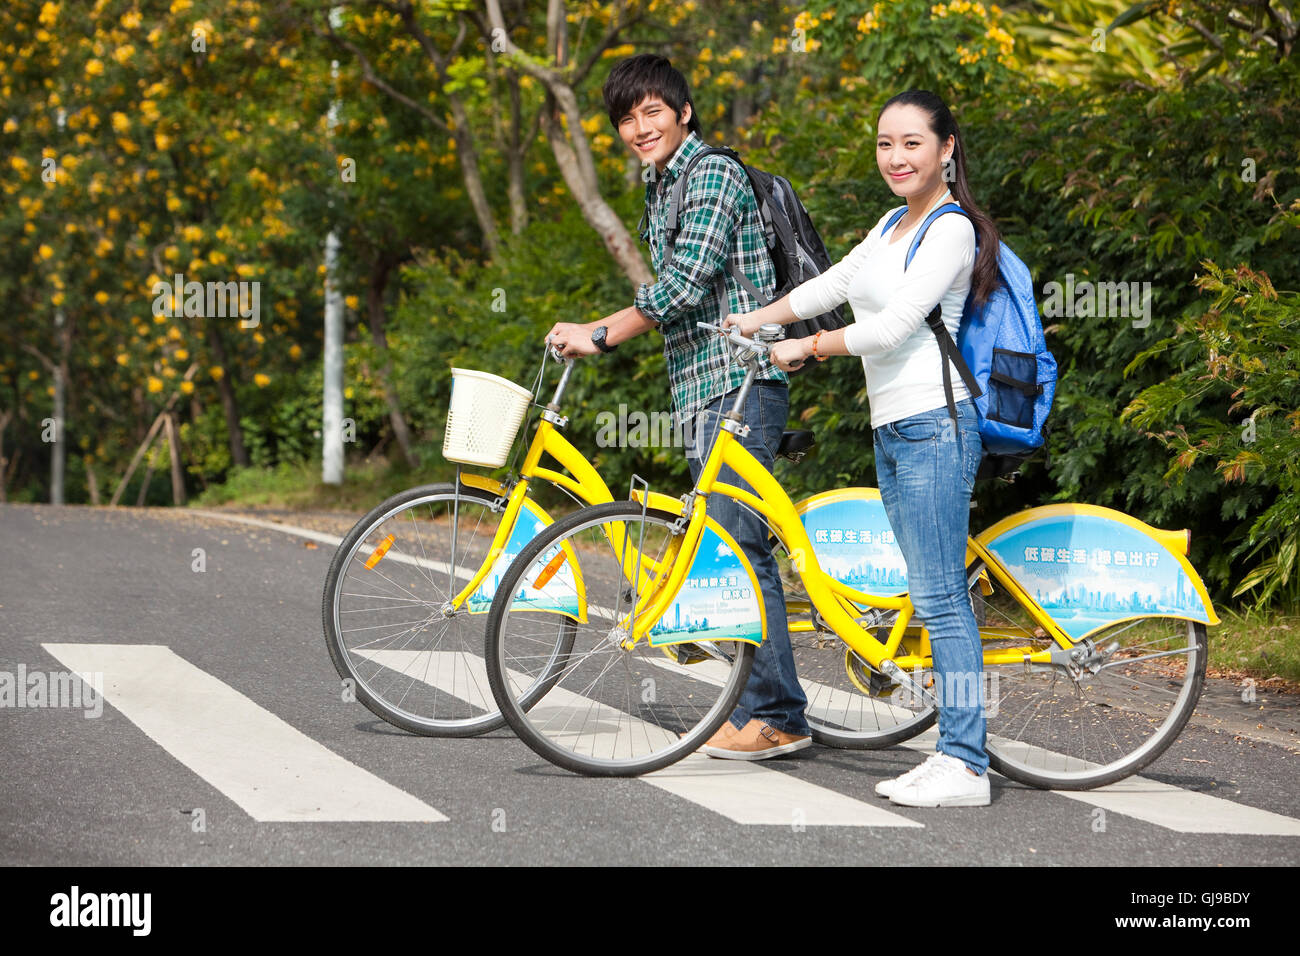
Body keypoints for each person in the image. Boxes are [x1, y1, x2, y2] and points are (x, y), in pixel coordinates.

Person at [723, 89, 997, 807]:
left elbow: (895, 326)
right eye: (884, 143)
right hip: (895, 428)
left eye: (912, 143)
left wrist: (804, 348)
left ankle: (966, 761)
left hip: (938, 423)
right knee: (932, 589)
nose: (896, 157)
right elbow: (835, 283)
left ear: (946, 150)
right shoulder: (890, 223)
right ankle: (952, 751)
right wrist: (756, 318)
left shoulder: (951, 229)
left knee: (941, 599)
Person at [545, 53, 812, 759]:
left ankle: (779, 714)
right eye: (628, 118)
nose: (640, 127)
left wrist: (599, 334)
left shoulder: (713, 174)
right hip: (702, 391)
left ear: (683, 111)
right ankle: (751, 693)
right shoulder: (660, 187)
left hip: (744, 384)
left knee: (742, 548)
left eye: (652, 111)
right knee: (725, 547)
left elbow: (684, 287)